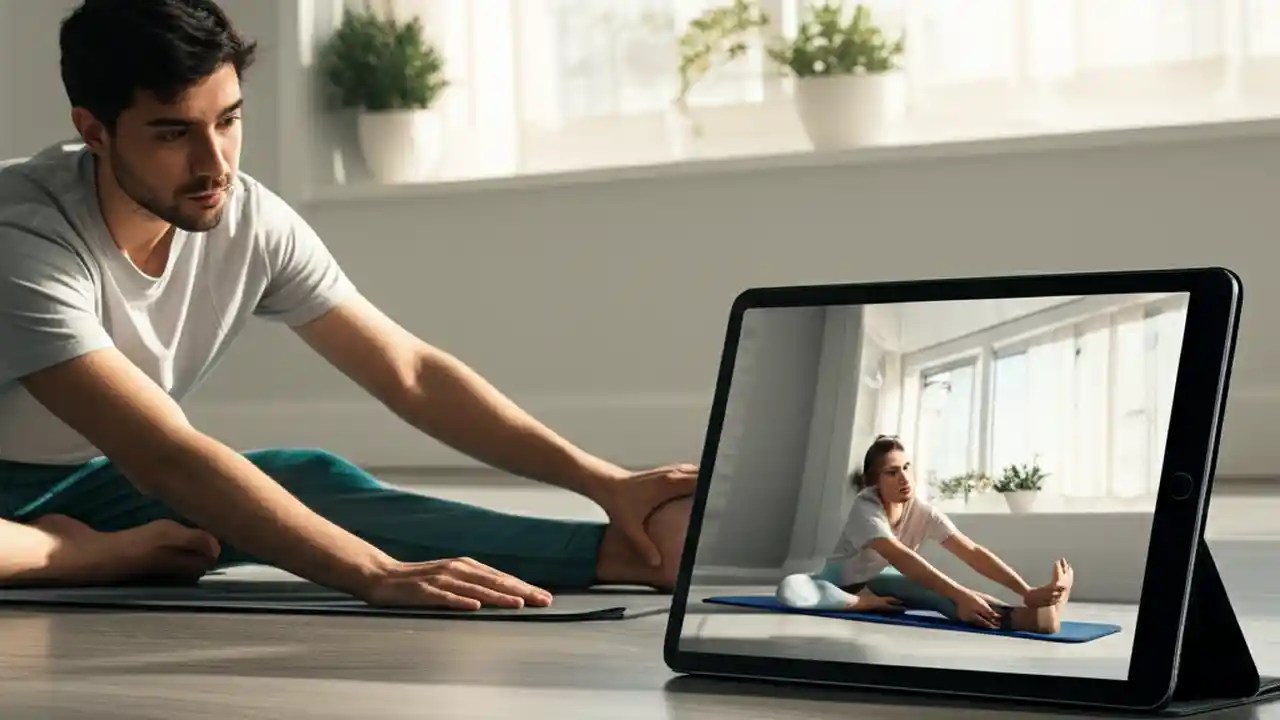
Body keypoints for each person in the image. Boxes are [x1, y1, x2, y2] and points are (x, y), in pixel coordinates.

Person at [0, 0, 696, 610]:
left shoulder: (247, 220)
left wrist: (602, 481)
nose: (215, 164)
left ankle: (624, 555)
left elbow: (409, 372)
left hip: (90, 482)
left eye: (229, 120)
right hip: (68, 481)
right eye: (173, 133)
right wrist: (372, 573)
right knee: (199, 483)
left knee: (307, 479)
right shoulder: (24, 236)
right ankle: (77, 554)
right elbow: (163, 454)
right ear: (95, 131)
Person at [776, 435, 1073, 634]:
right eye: (892, 472)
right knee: (789, 589)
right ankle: (862, 602)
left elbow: (971, 552)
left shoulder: (922, 511)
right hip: (838, 587)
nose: (904, 478)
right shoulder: (865, 508)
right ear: (873, 482)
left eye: (906, 467)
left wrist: (1026, 591)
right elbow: (901, 557)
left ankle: (1037, 616)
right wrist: (959, 593)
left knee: (949, 600)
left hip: (880, 582)